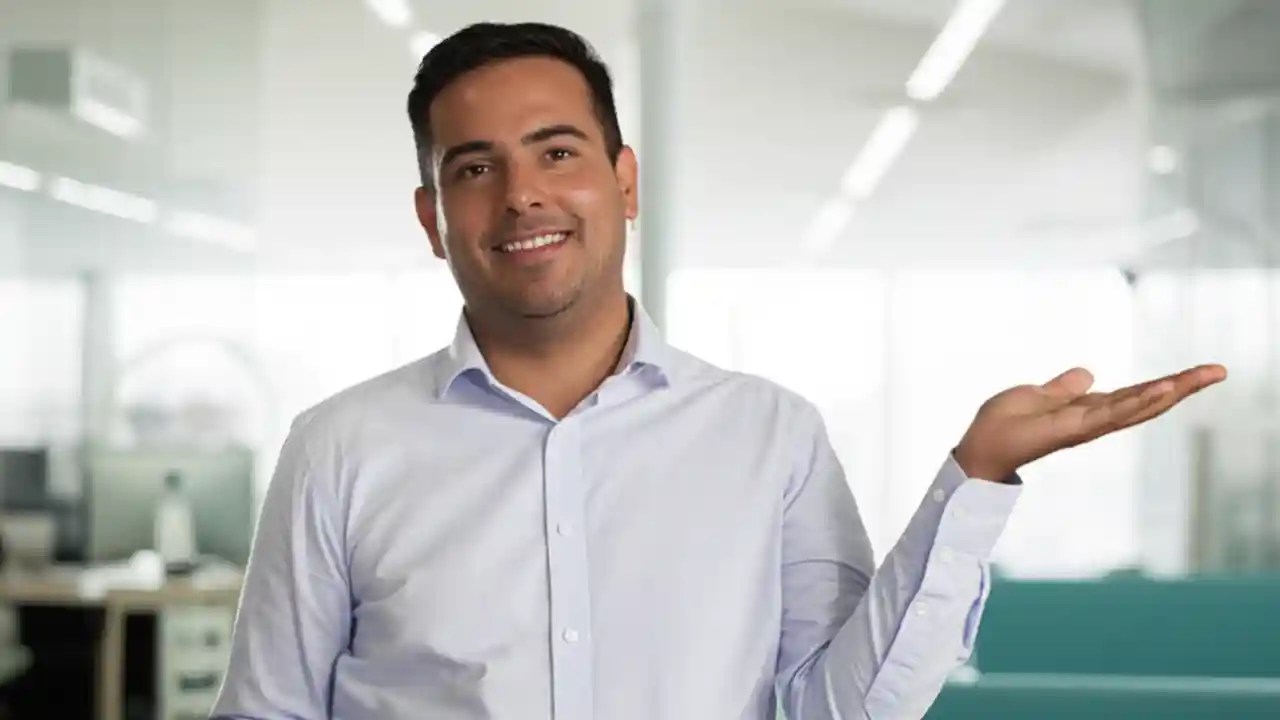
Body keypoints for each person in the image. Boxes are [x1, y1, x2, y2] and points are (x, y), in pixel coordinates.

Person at [211, 21, 1227, 720]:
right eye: (473, 168)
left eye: (557, 152)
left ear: (623, 180)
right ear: (435, 219)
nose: (521, 195)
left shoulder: (767, 436)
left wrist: (976, 478)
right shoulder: (341, 447)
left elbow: (839, 708)